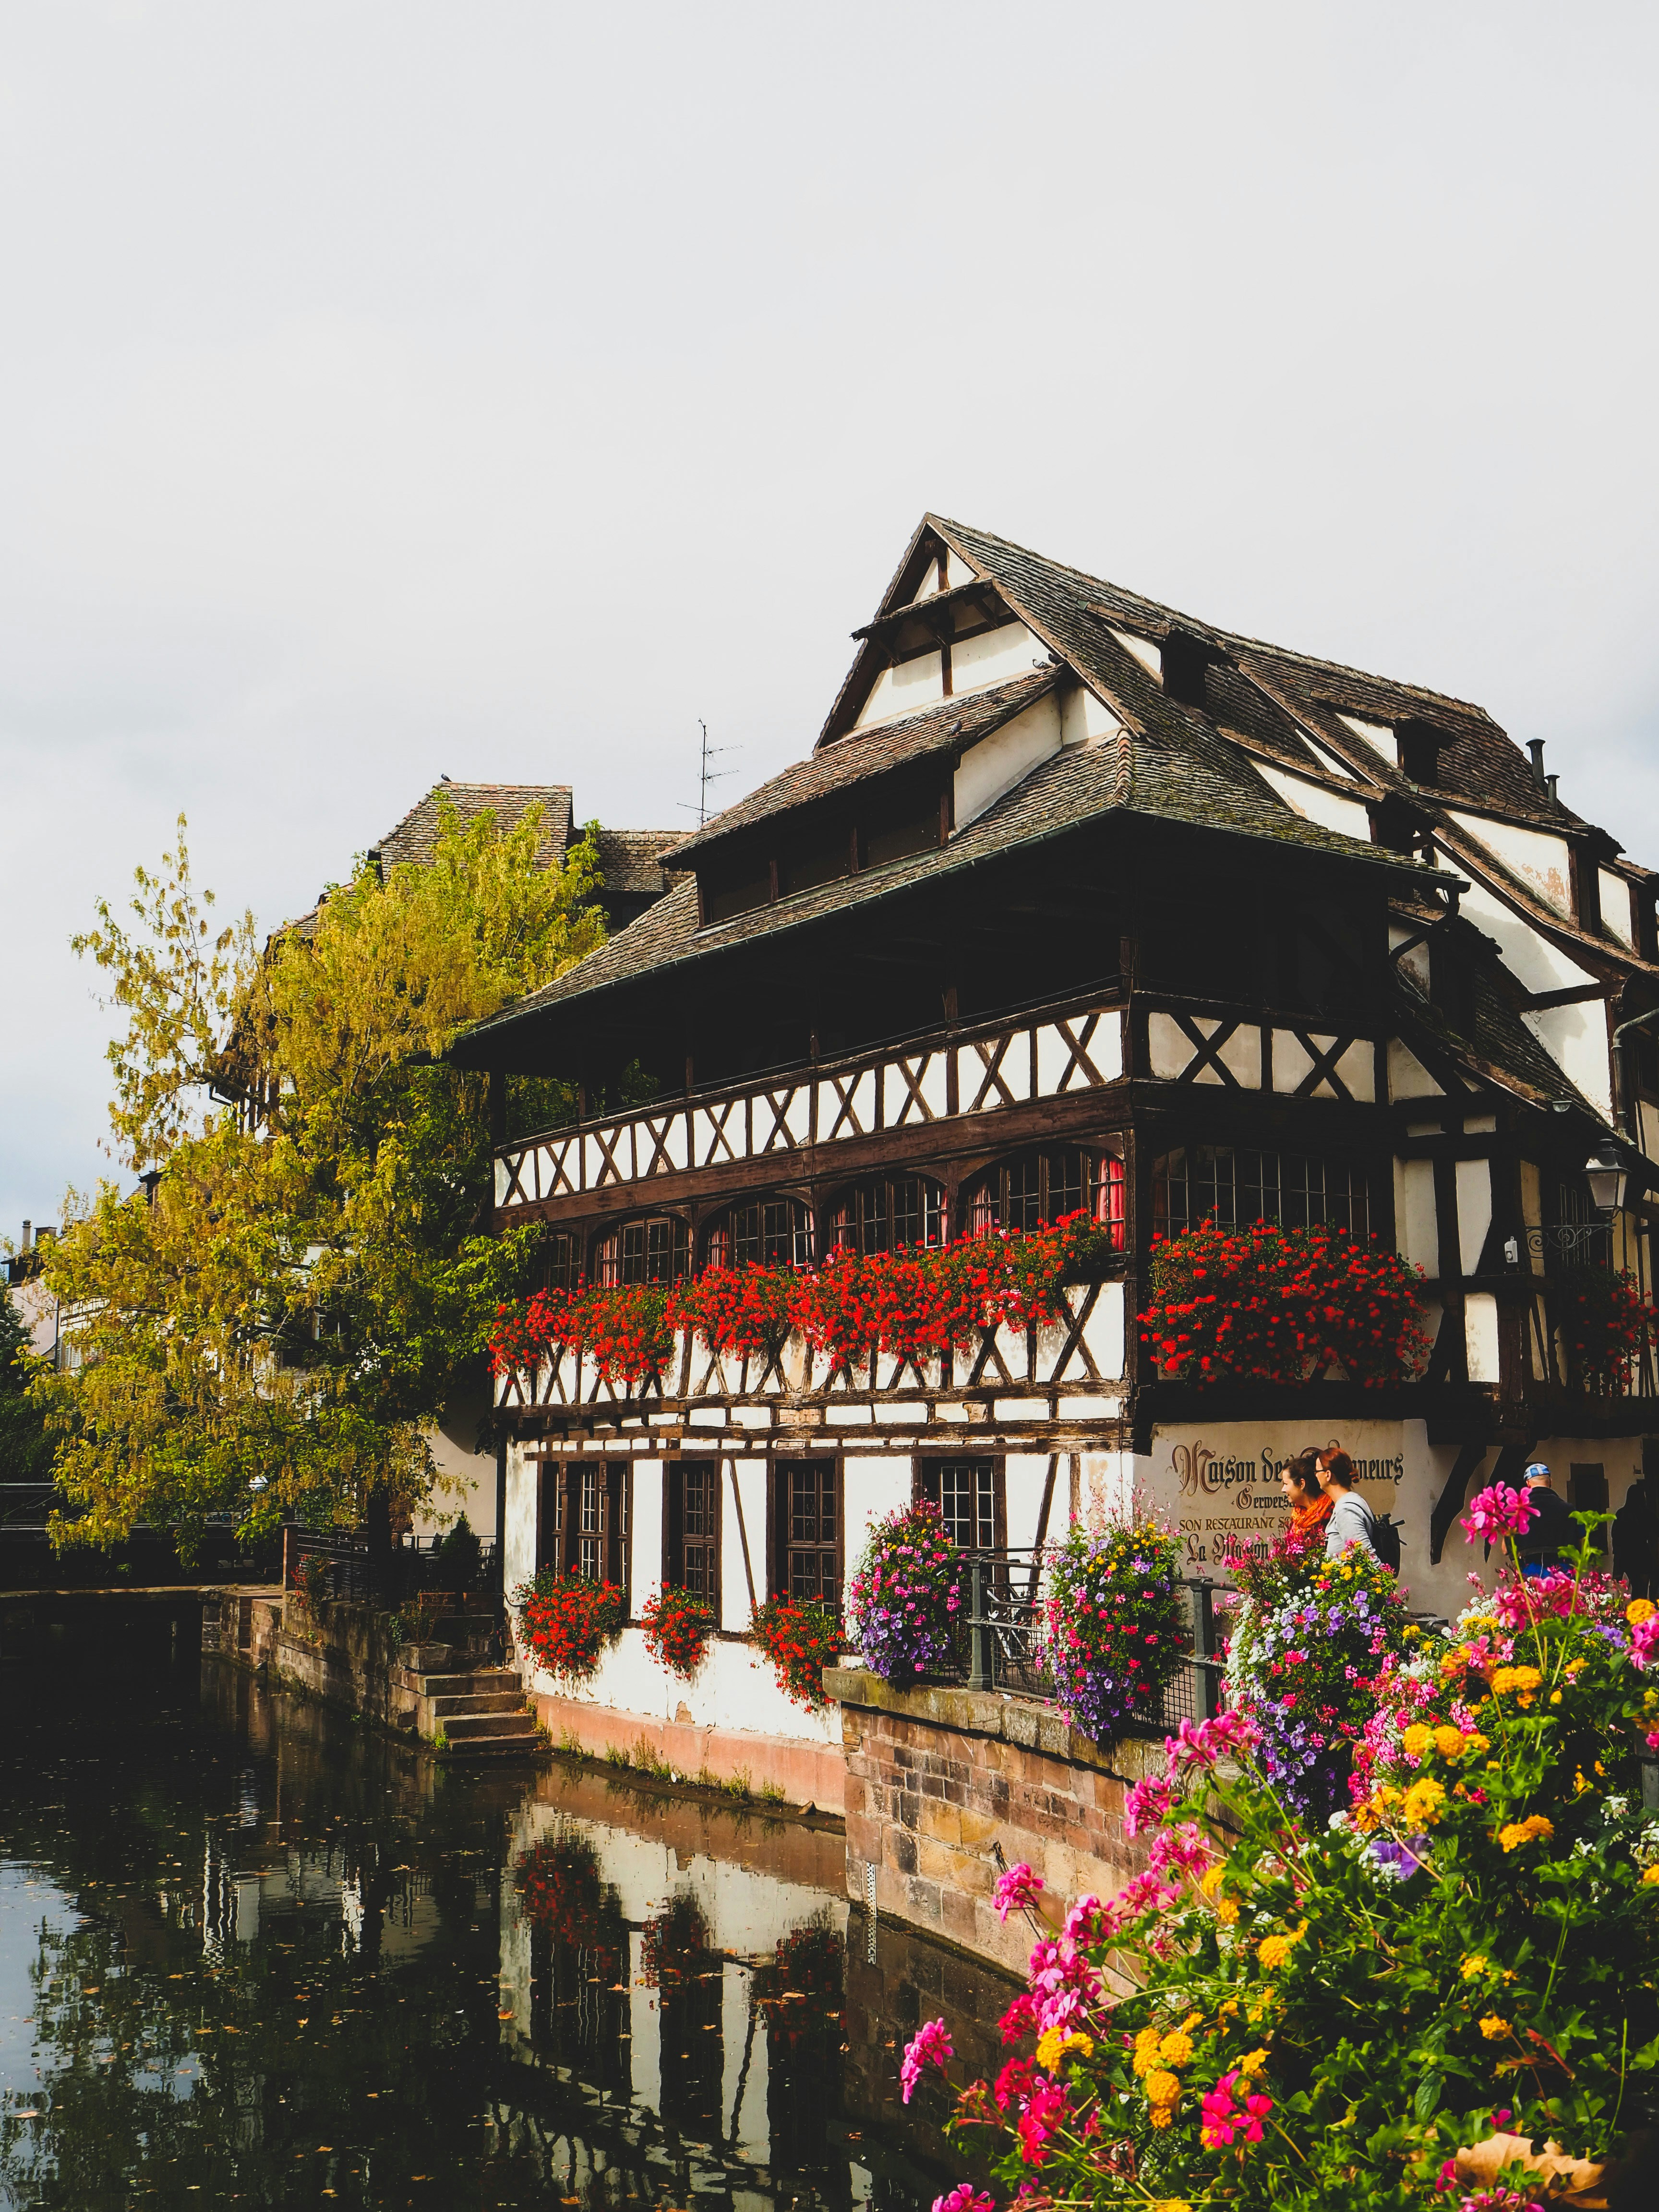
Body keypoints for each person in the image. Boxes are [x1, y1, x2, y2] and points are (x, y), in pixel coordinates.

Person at [1319, 1449, 1379, 1562]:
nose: (1316, 1476)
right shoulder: (1351, 1501)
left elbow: (1366, 1558)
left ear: (1328, 1475)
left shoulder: (1346, 1510)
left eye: (1317, 1471)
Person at [1517, 1461, 1574, 1574]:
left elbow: (1506, 1548)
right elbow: (1580, 1543)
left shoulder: (1519, 1511)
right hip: (1562, 1570)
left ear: (1528, 1484)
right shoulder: (1569, 1509)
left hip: (1531, 1570)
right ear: (1551, 1482)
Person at [1613, 1475, 1658, 1601]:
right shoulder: (1648, 1515)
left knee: (1622, 1592)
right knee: (1641, 1591)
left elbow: (1615, 1536)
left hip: (1625, 1557)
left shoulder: (1621, 1514)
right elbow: (1655, 1536)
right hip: (1642, 1556)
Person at [1279, 1448, 1333, 1547]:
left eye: (1286, 1484)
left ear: (1301, 1484)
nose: (1283, 1490)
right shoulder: (1298, 1518)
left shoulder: (1331, 1512)